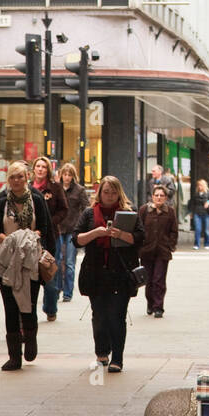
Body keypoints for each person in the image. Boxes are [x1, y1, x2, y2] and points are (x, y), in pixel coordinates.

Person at [0, 161, 55, 371]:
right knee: (10, 306)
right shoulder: (0, 201)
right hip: (6, 259)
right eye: (13, 177)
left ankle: (30, 338)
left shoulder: (37, 199)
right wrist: (5, 240)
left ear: (27, 178)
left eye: (20, 177)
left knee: (29, 303)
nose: (16, 181)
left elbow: (45, 227)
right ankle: (14, 356)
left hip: (31, 259)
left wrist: (32, 237)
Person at [74, 176, 144, 374]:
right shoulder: (89, 214)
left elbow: (139, 238)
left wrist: (120, 235)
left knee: (117, 316)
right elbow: (76, 239)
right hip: (96, 272)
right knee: (99, 315)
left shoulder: (129, 214)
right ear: (100, 193)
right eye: (106, 192)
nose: (110, 196)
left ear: (119, 193)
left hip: (121, 273)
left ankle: (118, 359)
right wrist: (96, 233)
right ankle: (102, 351)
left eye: (113, 193)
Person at [31, 157, 67, 321]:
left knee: (50, 271)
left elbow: (63, 210)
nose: (40, 169)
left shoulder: (55, 188)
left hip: (51, 236)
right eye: (37, 166)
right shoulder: (27, 187)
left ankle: (50, 308)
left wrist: (50, 222)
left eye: (43, 167)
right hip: (30, 236)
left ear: (47, 170)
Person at [138, 183, 178, 318]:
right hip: (147, 250)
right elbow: (138, 228)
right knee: (148, 280)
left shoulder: (170, 211)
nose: (159, 198)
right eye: (157, 195)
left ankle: (158, 307)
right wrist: (140, 246)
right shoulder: (144, 210)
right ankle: (150, 303)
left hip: (162, 251)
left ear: (166, 198)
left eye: (162, 195)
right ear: (152, 197)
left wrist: (170, 245)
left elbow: (174, 231)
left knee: (158, 279)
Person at [55, 162, 88, 304]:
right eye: (65, 174)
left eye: (69, 175)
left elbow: (86, 208)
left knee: (69, 262)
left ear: (73, 176)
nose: (67, 177)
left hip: (72, 229)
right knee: (57, 260)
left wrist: (81, 223)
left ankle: (67, 292)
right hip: (58, 228)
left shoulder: (79, 190)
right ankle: (57, 289)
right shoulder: (56, 189)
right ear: (61, 175)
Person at [189, 179, 209, 250]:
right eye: (198, 185)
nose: (199, 187)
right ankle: (196, 244)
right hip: (197, 213)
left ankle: (207, 243)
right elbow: (192, 203)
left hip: (206, 213)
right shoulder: (196, 193)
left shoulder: (208, 193)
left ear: (204, 186)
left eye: (201, 185)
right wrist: (191, 212)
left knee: (206, 230)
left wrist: (208, 202)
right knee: (197, 229)